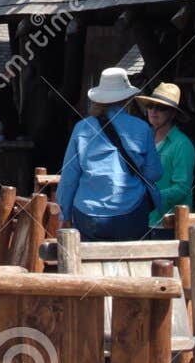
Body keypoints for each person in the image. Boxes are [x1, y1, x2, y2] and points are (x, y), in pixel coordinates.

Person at [56, 68, 162, 241]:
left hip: (87, 212)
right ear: (127, 98)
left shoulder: (82, 128)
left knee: (89, 265)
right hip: (131, 211)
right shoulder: (142, 128)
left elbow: (69, 177)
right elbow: (154, 172)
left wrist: (65, 215)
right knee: (132, 265)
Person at [133, 81, 195, 235]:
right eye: (150, 106)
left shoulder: (182, 144)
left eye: (161, 108)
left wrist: (148, 198)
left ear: (173, 114)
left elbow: (182, 188)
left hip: (169, 225)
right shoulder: (141, 139)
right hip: (142, 221)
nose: (154, 111)